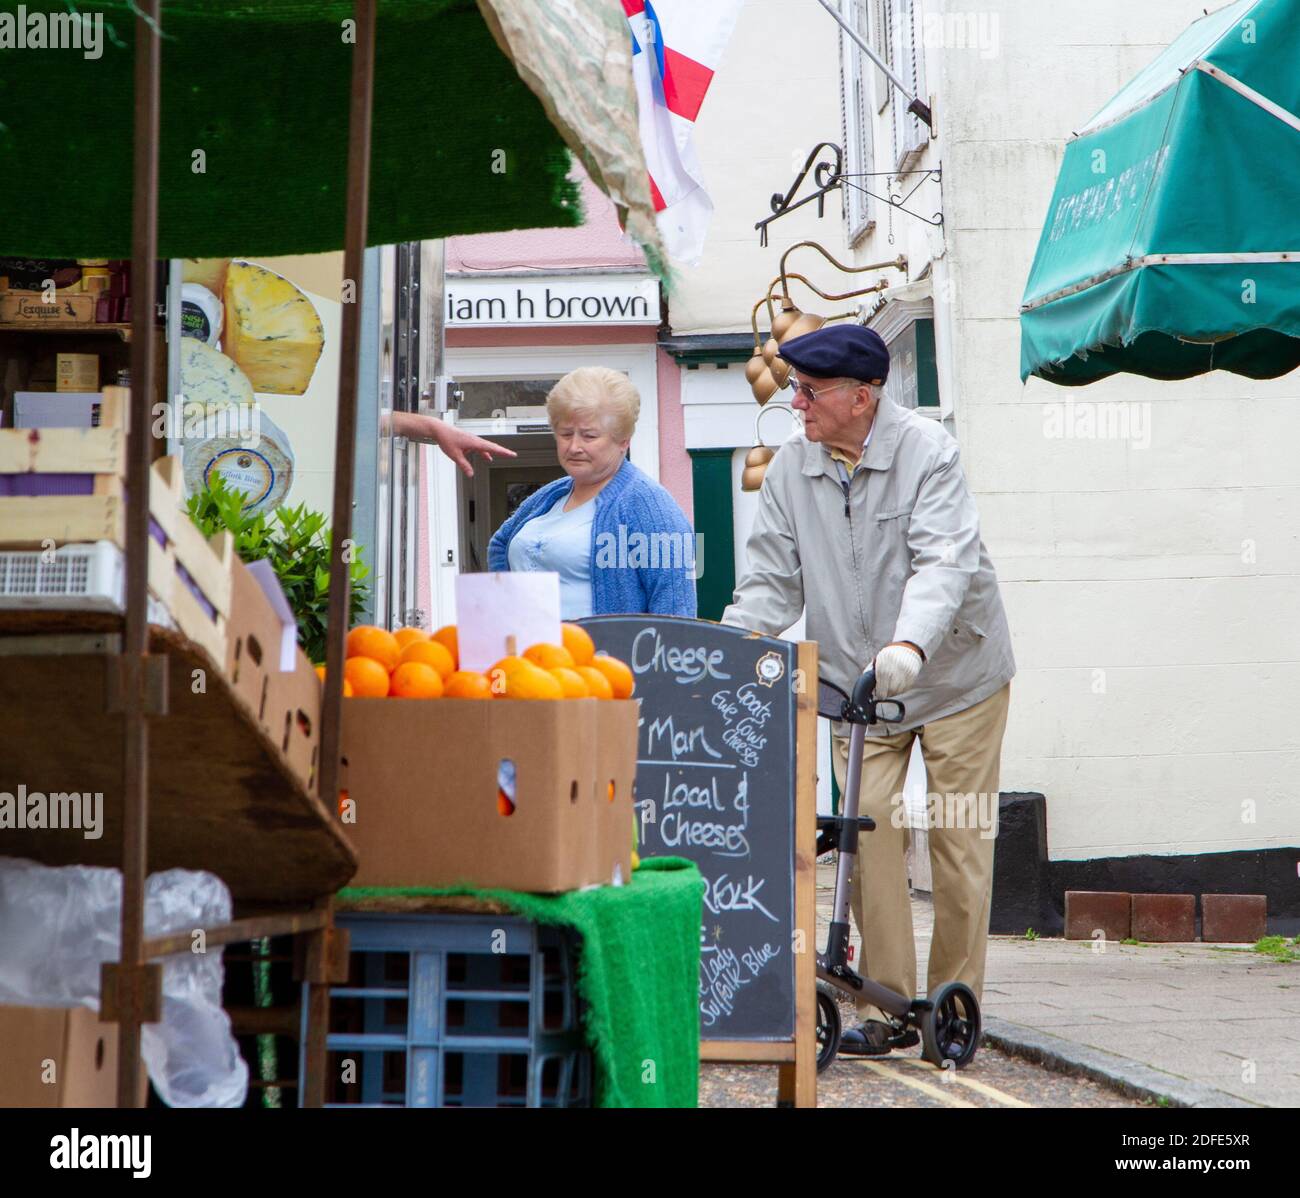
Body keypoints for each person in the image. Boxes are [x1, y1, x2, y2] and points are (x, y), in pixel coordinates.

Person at [721, 324, 1015, 1056]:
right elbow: (769, 580)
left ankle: (954, 1008)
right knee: (867, 837)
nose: (795, 403)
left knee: (958, 842)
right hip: (859, 687)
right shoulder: (792, 469)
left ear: (863, 396)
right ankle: (887, 1007)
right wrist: (726, 648)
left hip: (954, 676)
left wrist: (911, 644)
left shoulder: (927, 452)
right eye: (794, 389)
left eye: (809, 391)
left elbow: (944, 562)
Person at [487, 366, 696, 619]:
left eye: (589, 436)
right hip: (530, 655)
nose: (574, 446)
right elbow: (500, 547)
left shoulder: (648, 504)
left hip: (604, 657)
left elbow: (675, 605)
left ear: (623, 441)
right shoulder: (550, 496)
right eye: (565, 434)